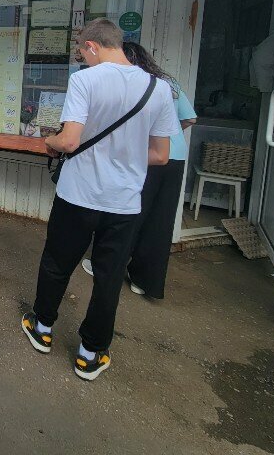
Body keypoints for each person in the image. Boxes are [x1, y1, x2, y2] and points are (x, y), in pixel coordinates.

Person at [20, 19, 177, 381]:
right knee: (108, 278)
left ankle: (42, 328)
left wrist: (51, 142)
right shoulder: (158, 88)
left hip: (77, 196)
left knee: (57, 263)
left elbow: (71, 140)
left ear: (92, 45)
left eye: (81, 52)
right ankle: (90, 354)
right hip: (123, 204)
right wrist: (126, 157)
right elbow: (161, 155)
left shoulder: (85, 80)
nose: (81, 59)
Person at [82, 42, 197, 299]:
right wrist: (169, 135)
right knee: (160, 221)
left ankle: (106, 264)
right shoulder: (168, 84)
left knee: (127, 214)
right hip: (174, 157)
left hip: (145, 157)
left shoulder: (132, 85)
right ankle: (146, 281)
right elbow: (189, 119)